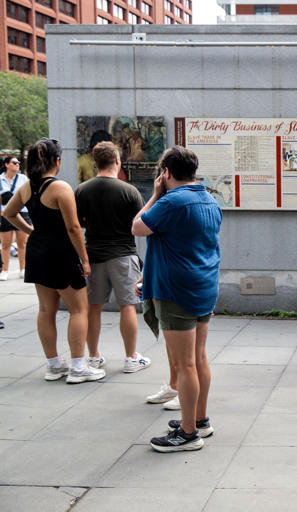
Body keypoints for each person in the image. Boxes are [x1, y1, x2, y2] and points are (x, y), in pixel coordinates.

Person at [132, 146, 222, 452]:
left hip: (176, 291)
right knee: (198, 358)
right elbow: (185, 243)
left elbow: (137, 226)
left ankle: (187, 434)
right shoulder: (209, 199)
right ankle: (199, 421)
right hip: (204, 286)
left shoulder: (170, 201)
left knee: (184, 365)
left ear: (166, 173)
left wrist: (155, 194)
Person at [3, 138, 105, 384]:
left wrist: (30, 232)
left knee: (46, 310)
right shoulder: (61, 188)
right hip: (62, 253)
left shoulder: (28, 187)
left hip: (38, 252)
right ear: (57, 161)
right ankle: (78, 367)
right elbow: (73, 227)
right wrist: (85, 258)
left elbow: (8, 212)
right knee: (79, 309)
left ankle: (54, 365)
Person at [75, 141, 150, 373]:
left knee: (93, 307)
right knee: (127, 306)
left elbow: (77, 223)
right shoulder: (129, 191)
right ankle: (130, 358)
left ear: (95, 163)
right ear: (117, 160)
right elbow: (139, 224)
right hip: (123, 255)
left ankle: (94, 357)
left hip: (94, 254)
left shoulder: (82, 190)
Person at [0, 156, 30, 280]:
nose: (17, 164)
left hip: (22, 213)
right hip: (5, 214)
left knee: (22, 243)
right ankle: (5, 270)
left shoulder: (23, 179)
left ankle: (23, 269)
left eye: (18, 163)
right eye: (14, 163)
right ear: (7, 165)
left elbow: (28, 196)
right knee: (6, 244)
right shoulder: (0, 179)